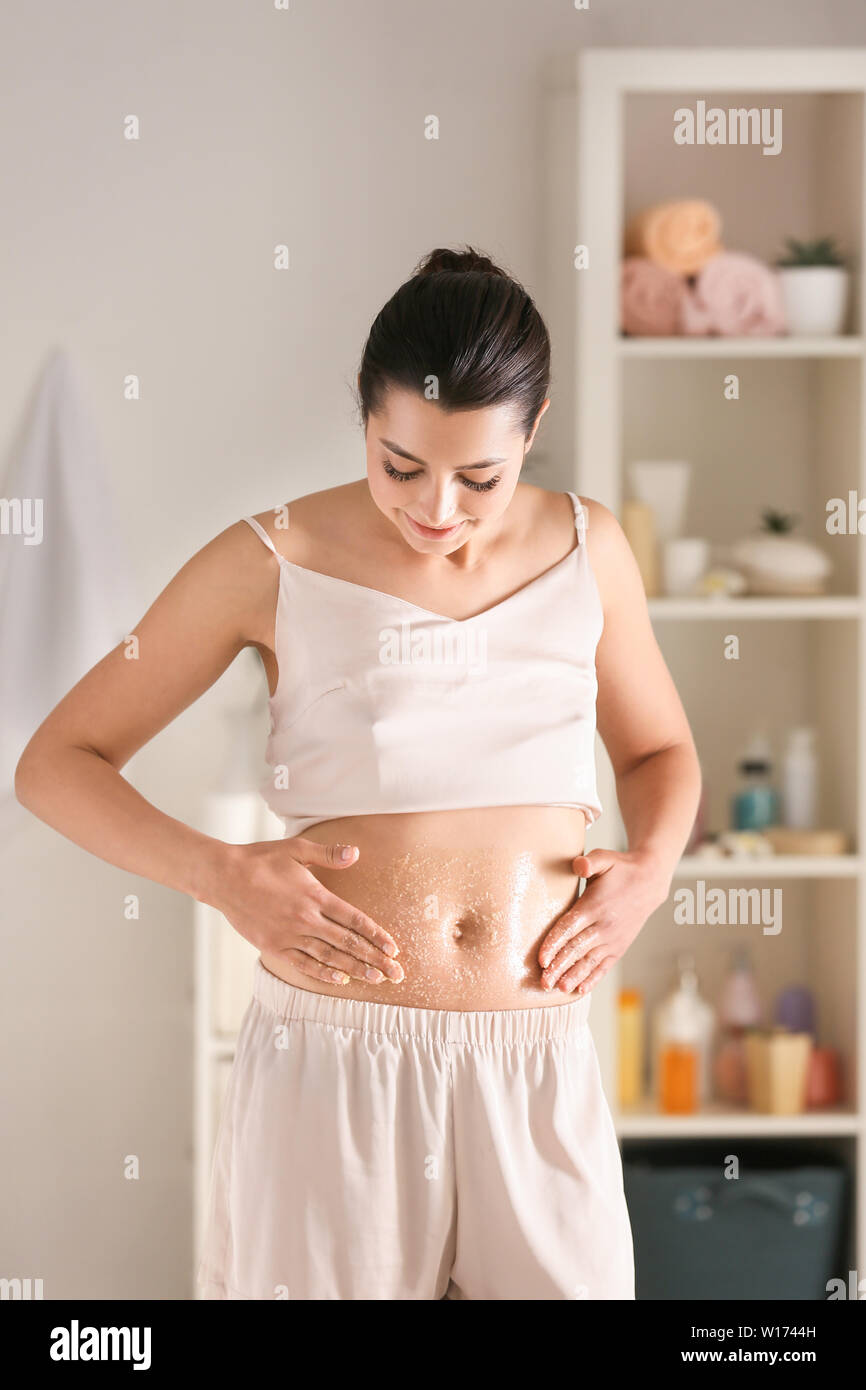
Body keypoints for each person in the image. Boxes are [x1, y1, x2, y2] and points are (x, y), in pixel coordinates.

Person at [15, 245, 702, 1300]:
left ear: (534, 425)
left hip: (537, 1058)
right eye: (399, 464)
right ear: (364, 420)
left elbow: (656, 751)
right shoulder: (268, 557)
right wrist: (220, 875)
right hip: (336, 1062)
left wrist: (651, 866)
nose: (436, 508)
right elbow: (56, 762)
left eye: (480, 475)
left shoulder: (586, 546)